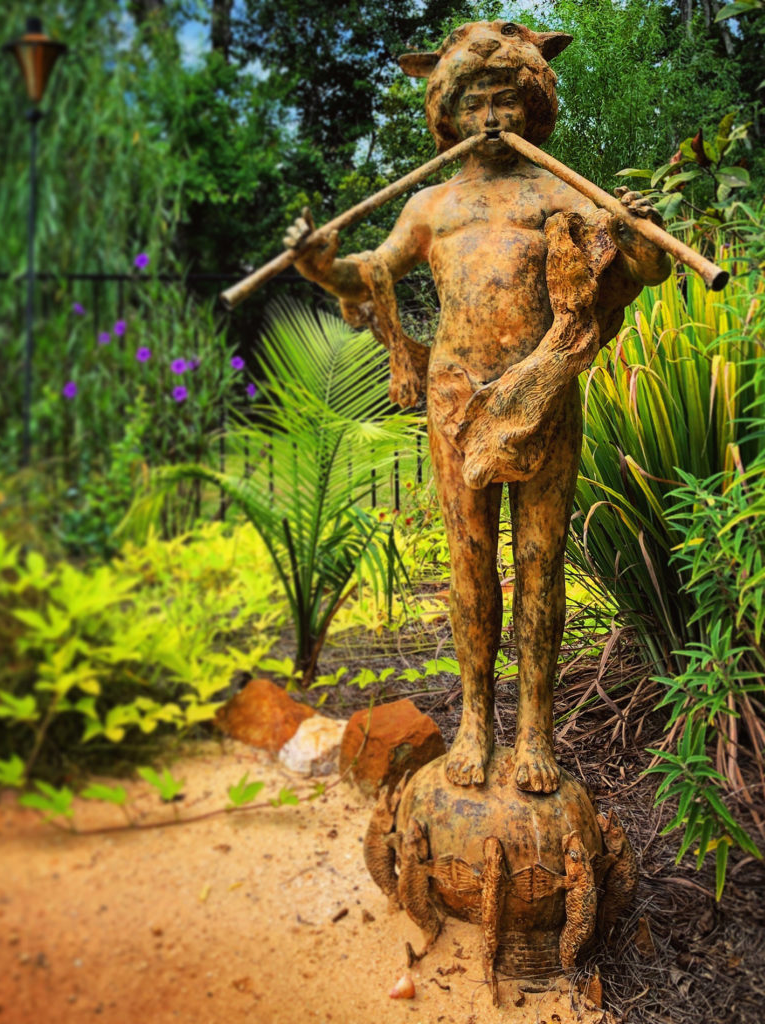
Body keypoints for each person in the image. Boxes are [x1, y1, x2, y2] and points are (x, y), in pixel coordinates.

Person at [284, 21, 671, 793]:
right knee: (469, 562)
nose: (491, 117)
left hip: (544, 388)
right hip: (456, 394)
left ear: (534, 104)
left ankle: (534, 732)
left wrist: (640, 237)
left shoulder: (563, 193)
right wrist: (323, 269)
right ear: (448, 114)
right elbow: (372, 273)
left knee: (540, 561)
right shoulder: (432, 204)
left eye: (505, 99)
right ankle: (473, 721)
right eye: (475, 103)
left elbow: (645, 268)